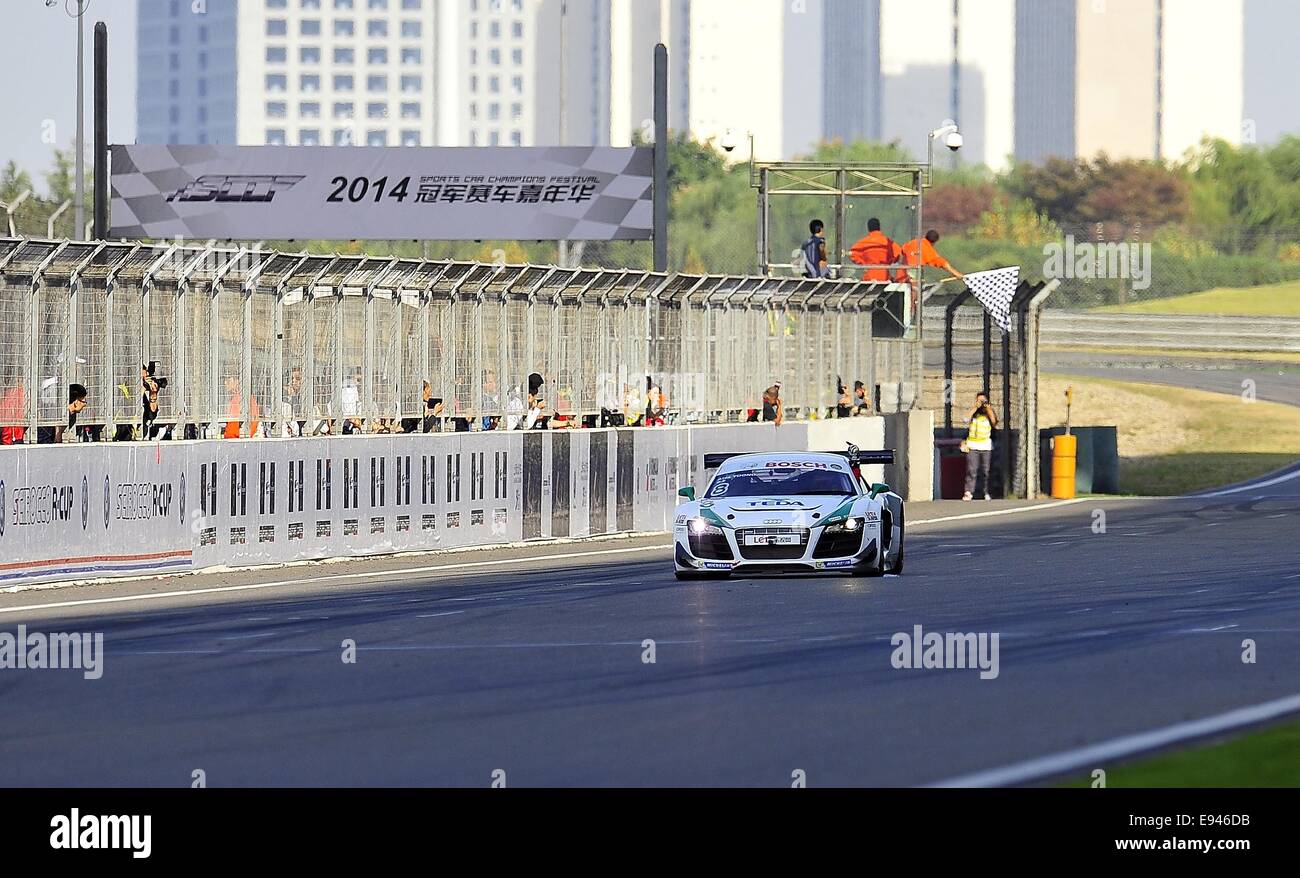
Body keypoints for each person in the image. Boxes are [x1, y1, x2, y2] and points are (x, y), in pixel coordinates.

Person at [962, 391, 997, 501]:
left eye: (983, 401)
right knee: (971, 470)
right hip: (973, 445)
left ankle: (986, 491)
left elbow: (994, 422)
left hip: (986, 445)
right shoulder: (974, 413)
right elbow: (965, 419)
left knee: (986, 471)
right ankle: (968, 492)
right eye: (979, 401)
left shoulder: (988, 413)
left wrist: (988, 409)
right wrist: (975, 407)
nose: (981, 403)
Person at [848, 218, 899, 282]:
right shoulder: (888, 242)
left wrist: (864, 263)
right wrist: (889, 261)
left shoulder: (863, 242)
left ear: (868, 228)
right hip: (885, 275)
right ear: (879, 227)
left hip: (869, 276)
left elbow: (852, 253)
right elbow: (897, 253)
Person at [224, 374, 261, 439]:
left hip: (236, 438)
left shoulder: (238, 399)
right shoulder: (248, 397)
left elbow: (233, 426)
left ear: (237, 381)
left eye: (228, 380)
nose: (225, 383)